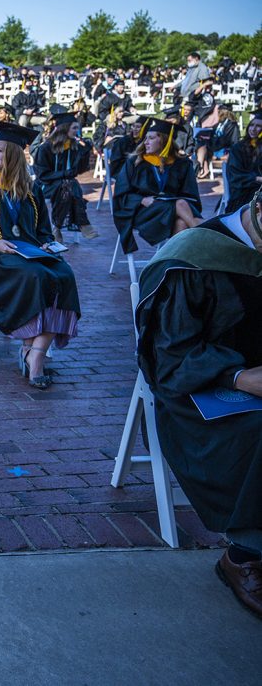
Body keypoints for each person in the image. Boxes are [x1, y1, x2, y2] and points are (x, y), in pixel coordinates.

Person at [134, 193, 262, 619]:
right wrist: (238, 377)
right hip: (196, 387)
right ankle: (243, 556)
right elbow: (170, 359)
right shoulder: (195, 256)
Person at [0, 123, 81, 389]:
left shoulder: (30, 190)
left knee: (64, 274)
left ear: (12, 155)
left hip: (29, 253)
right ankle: (35, 359)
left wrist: (47, 244)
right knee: (36, 277)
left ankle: (33, 350)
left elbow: (43, 231)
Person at [112, 117, 203, 254]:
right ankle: (200, 231)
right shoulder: (134, 163)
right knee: (181, 204)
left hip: (171, 212)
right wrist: (141, 200)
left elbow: (191, 195)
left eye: (151, 138)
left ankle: (170, 262)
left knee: (182, 221)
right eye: (146, 138)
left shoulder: (182, 164)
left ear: (164, 141)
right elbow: (121, 194)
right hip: (144, 212)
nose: (146, 142)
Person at [33, 113, 97, 242]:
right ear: (64, 128)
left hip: (65, 187)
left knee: (68, 185)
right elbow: (42, 174)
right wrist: (63, 174)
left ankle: (55, 228)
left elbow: (79, 170)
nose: (76, 131)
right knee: (68, 185)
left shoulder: (73, 147)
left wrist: (85, 153)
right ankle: (82, 222)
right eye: (74, 128)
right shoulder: (45, 148)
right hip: (45, 185)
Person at [223, 109, 261, 214]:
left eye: (258, 126)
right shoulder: (238, 148)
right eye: (252, 125)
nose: (253, 129)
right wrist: (257, 178)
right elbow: (236, 176)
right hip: (243, 194)